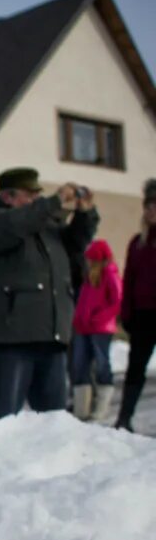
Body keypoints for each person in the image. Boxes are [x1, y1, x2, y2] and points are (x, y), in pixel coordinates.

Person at [0, 167, 99, 419]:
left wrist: (85, 214)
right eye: (29, 195)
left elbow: (75, 244)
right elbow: (16, 223)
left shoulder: (44, 225)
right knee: (6, 422)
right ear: (8, 196)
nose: (36, 201)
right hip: (10, 339)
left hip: (49, 335)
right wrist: (55, 201)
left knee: (54, 424)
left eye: (37, 195)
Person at [116, 179, 156, 431]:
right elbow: (129, 278)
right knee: (135, 369)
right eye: (148, 206)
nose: (151, 210)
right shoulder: (138, 243)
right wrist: (127, 313)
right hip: (143, 315)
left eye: (155, 205)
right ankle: (124, 418)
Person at [71, 240, 121, 422]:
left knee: (102, 365)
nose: (88, 262)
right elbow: (83, 302)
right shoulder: (88, 277)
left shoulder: (110, 274)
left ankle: (101, 409)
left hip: (101, 328)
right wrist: (78, 319)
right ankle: (81, 409)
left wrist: (100, 318)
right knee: (80, 364)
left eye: (91, 259)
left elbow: (117, 300)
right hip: (84, 328)